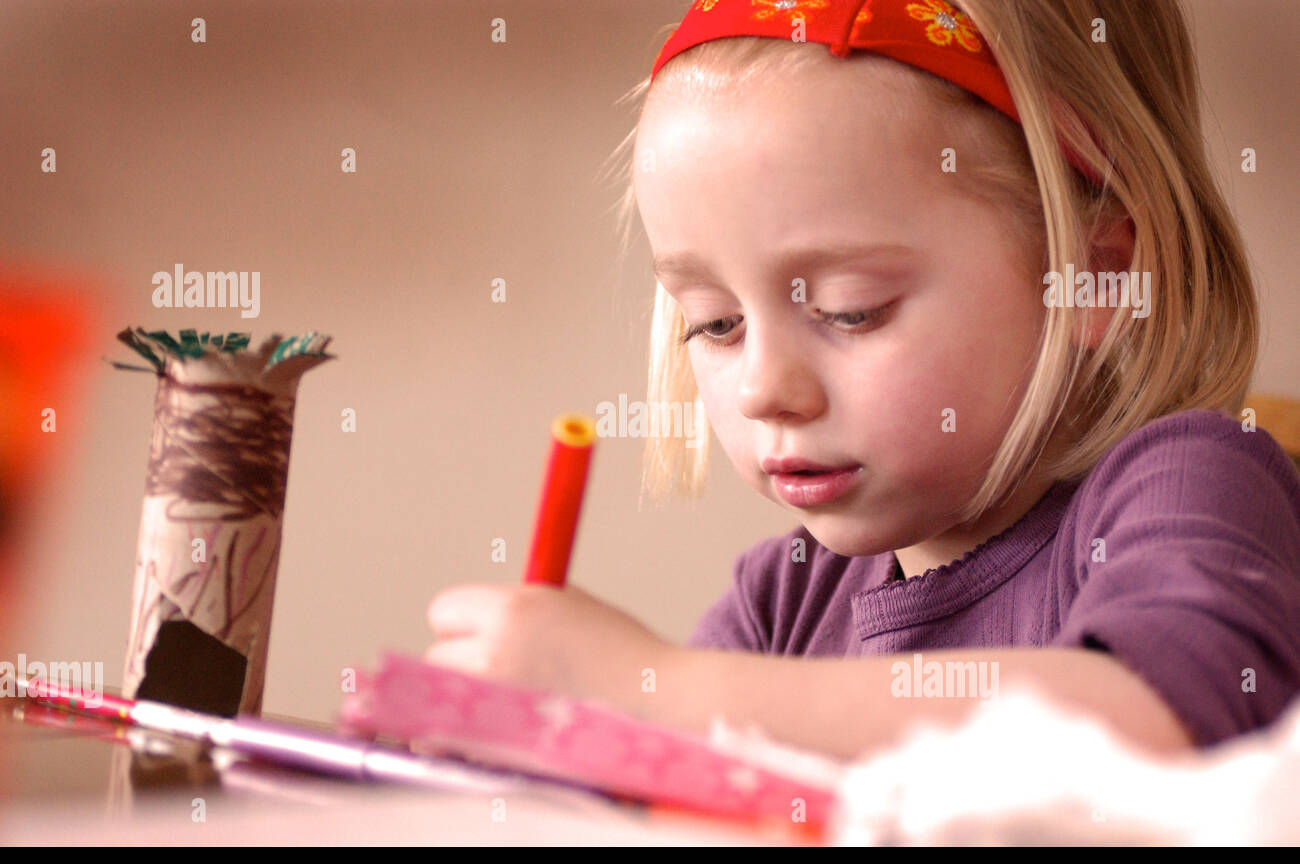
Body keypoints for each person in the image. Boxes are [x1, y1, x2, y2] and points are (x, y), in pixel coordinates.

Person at [425, 0, 1300, 760]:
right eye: (715, 322)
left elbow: (1165, 723)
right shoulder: (782, 604)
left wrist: (650, 686)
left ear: (1093, 279)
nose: (767, 388)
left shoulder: (1191, 481)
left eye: (850, 309)